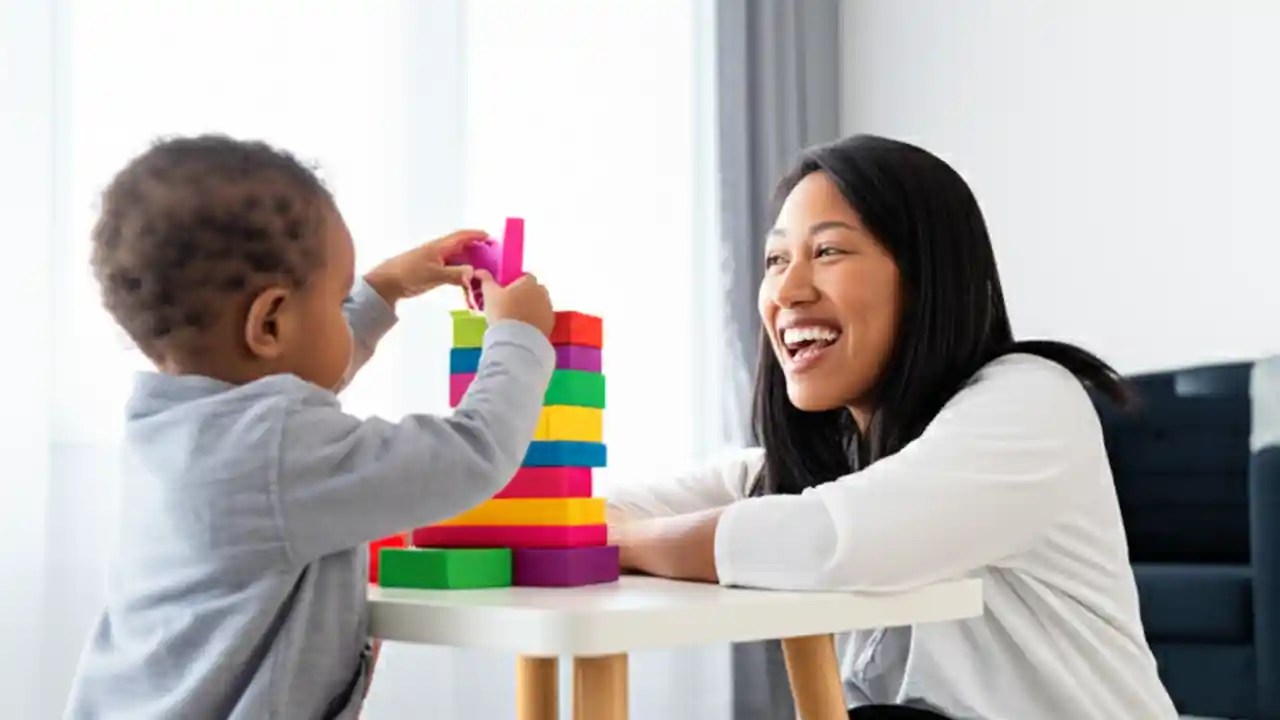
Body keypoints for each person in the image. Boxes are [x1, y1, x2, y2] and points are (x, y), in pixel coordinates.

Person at [605, 135, 1178, 719]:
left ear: (927, 276)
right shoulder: (830, 461)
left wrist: (626, 542)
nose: (789, 290)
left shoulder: (1031, 399)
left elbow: (830, 539)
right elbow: (600, 510)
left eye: (827, 251)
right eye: (777, 259)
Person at [64, 134, 557, 719]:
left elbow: (287, 377)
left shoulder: (171, 427)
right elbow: (474, 452)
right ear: (269, 321)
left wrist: (383, 289)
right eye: (333, 299)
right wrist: (518, 338)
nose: (341, 310)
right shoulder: (272, 450)